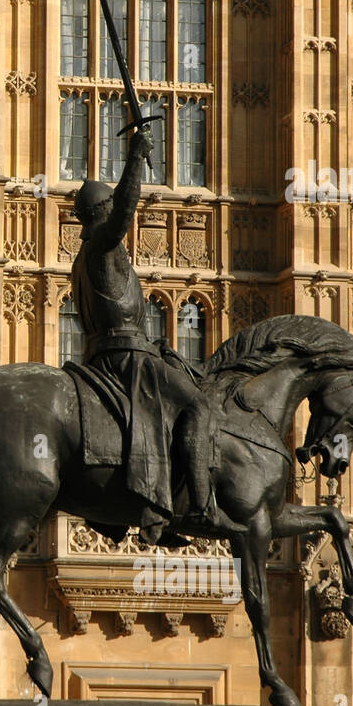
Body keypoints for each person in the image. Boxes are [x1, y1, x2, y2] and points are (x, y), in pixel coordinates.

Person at [70, 128, 215, 545]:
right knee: (198, 405)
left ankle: (156, 504)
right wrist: (136, 157)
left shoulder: (83, 257)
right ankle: (197, 510)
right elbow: (124, 214)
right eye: (111, 206)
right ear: (103, 210)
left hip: (104, 356)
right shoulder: (100, 245)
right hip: (125, 356)